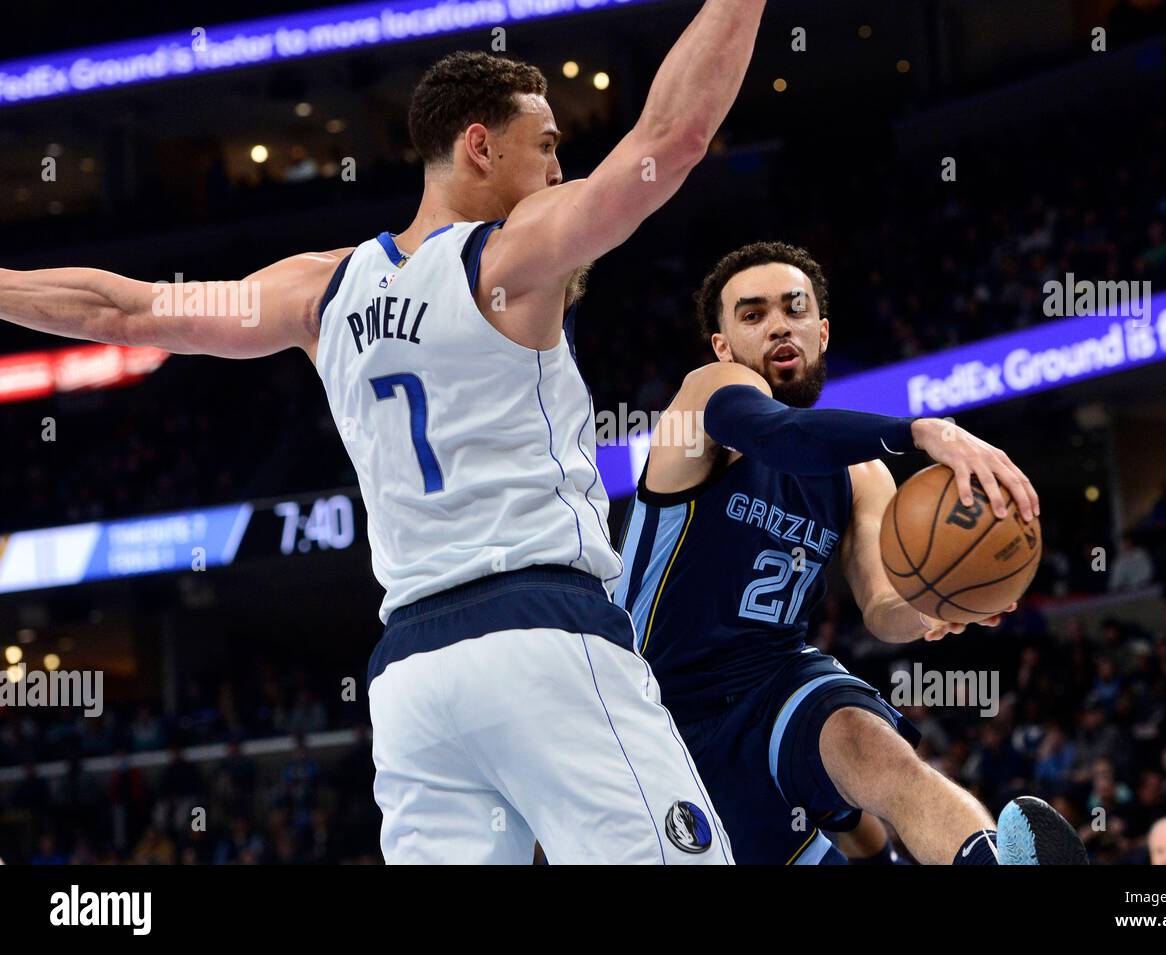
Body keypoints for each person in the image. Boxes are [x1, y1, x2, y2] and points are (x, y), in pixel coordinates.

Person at [0, 0, 771, 864]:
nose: (561, 167)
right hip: (542, 634)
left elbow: (127, 309)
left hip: (411, 681)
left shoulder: (318, 291)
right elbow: (671, 140)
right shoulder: (509, 258)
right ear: (481, 146)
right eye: (548, 143)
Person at [616, 241, 1086, 864]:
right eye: (752, 315)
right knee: (853, 842)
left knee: (879, 752)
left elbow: (882, 605)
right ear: (723, 346)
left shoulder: (862, 474)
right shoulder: (705, 398)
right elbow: (775, 434)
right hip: (653, 706)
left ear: (822, 331)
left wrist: (933, 611)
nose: (779, 323)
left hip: (775, 679)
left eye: (794, 308)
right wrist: (923, 429)